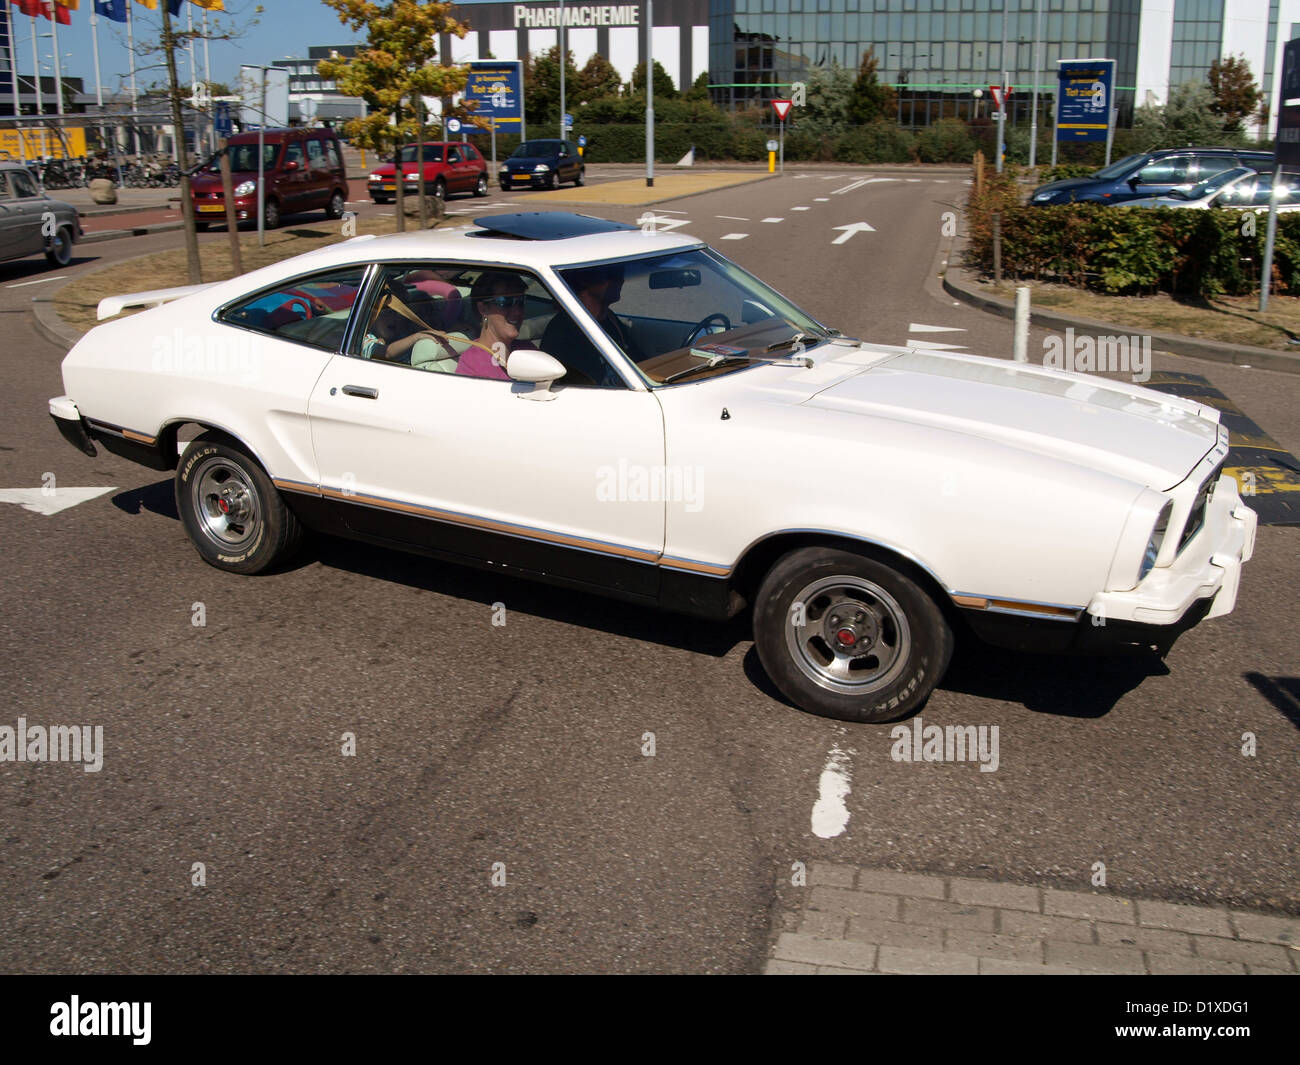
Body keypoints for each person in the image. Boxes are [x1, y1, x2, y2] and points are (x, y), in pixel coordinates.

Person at [539, 263, 642, 387]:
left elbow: (639, 361)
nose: (620, 281)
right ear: (585, 282)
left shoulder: (610, 319)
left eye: (620, 275)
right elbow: (578, 386)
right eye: (613, 275)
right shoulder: (561, 333)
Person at [456, 272, 534, 381]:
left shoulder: (527, 349)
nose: (517, 311)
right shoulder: (472, 365)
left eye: (521, 301)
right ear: (483, 309)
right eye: (506, 302)